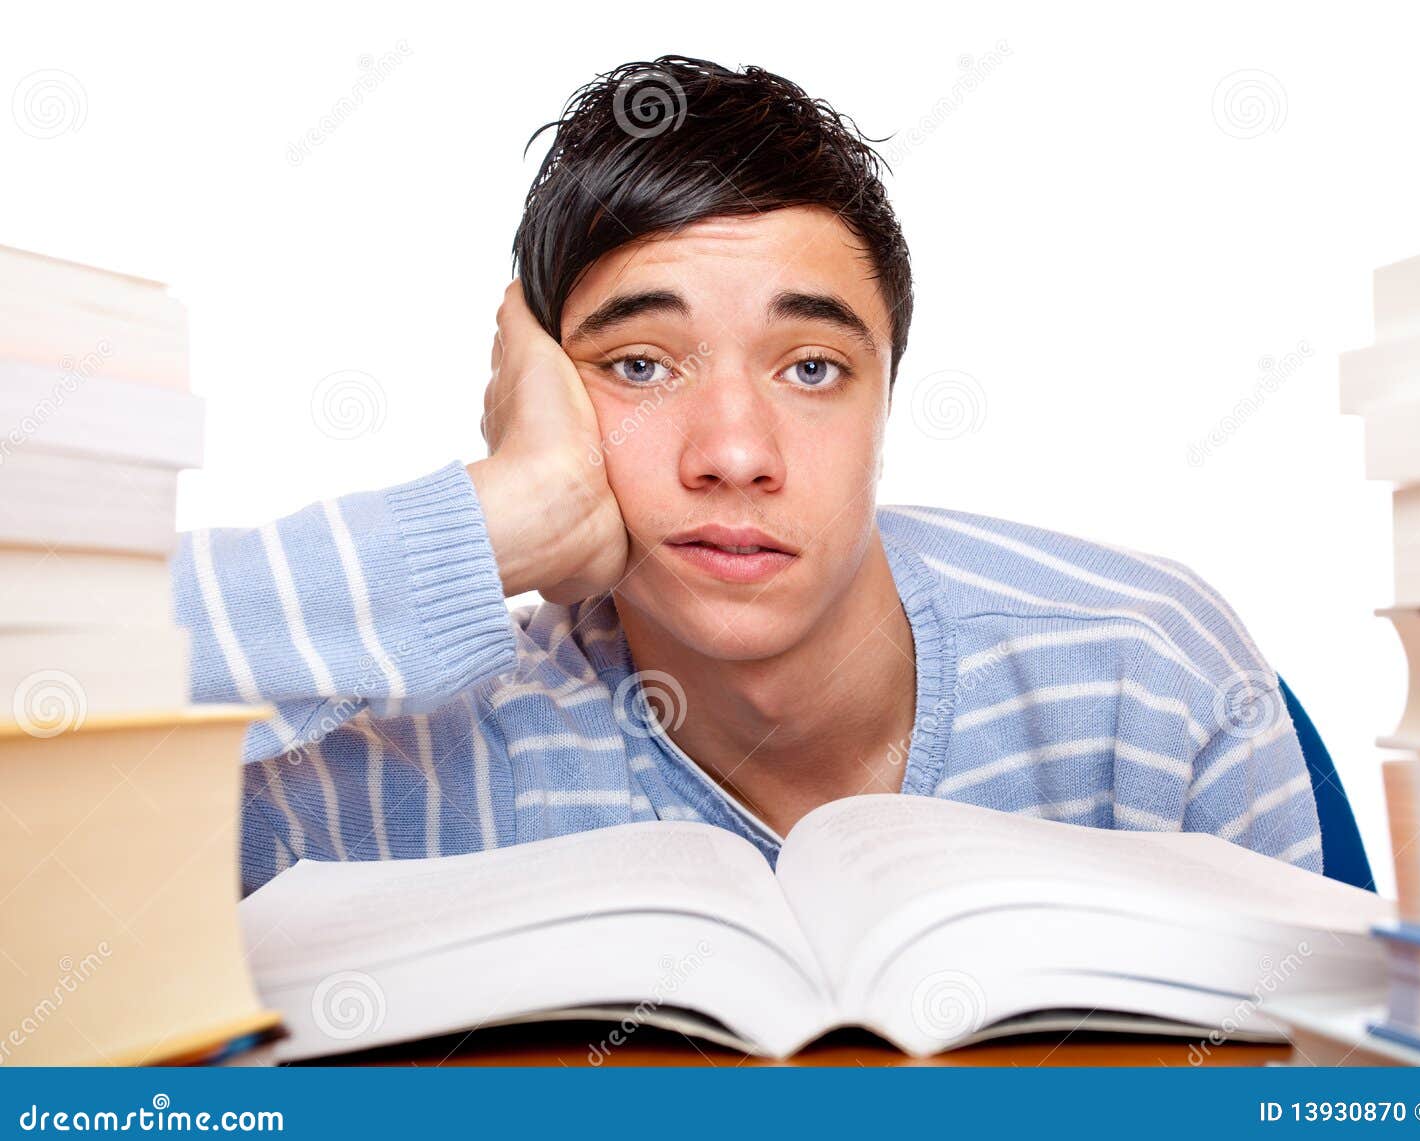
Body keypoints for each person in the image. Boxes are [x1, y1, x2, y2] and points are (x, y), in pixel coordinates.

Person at [178, 56, 1323, 894]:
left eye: (813, 366)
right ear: (540, 389)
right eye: (640, 364)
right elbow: (45, 720)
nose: (734, 453)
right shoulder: (430, 760)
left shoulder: (1152, 681)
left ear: (886, 401)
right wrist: (491, 522)